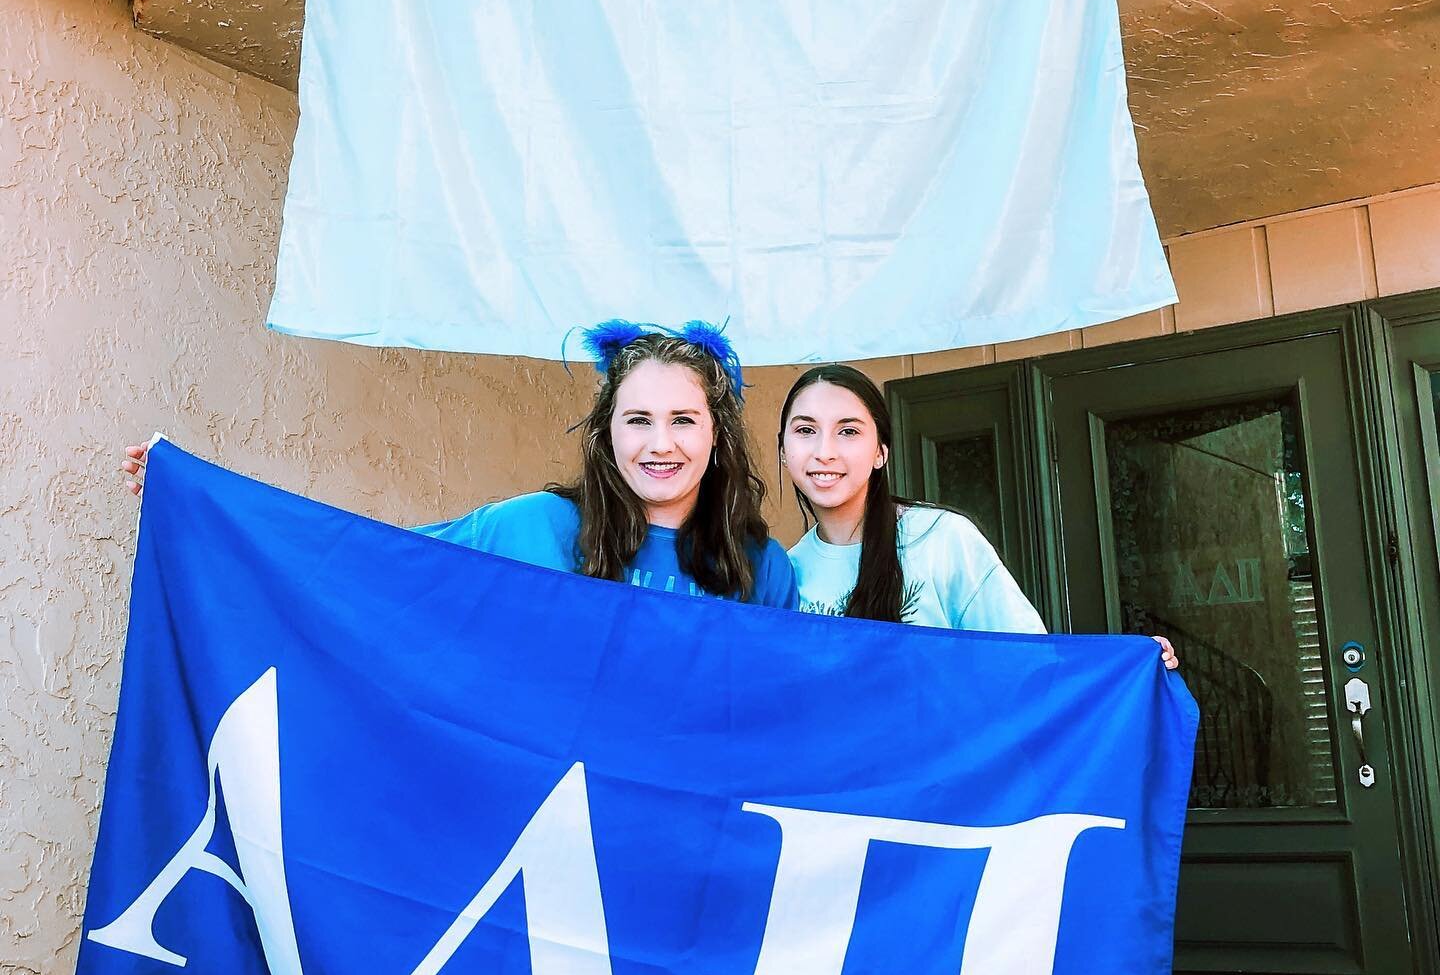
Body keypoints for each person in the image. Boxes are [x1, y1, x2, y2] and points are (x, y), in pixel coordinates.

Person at [123, 321, 797, 608]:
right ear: (606, 433)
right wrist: (199, 509)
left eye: (683, 420)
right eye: (637, 419)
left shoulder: (763, 569)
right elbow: (363, 561)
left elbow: (794, 716)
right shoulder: (530, 529)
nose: (660, 443)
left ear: (717, 436)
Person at [780, 362, 1179, 664]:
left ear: (881, 452)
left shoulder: (940, 538)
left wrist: (1131, 665)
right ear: (783, 451)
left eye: (848, 431)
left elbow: (1028, 662)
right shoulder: (786, 573)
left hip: (947, 772)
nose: (824, 451)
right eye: (805, 430)